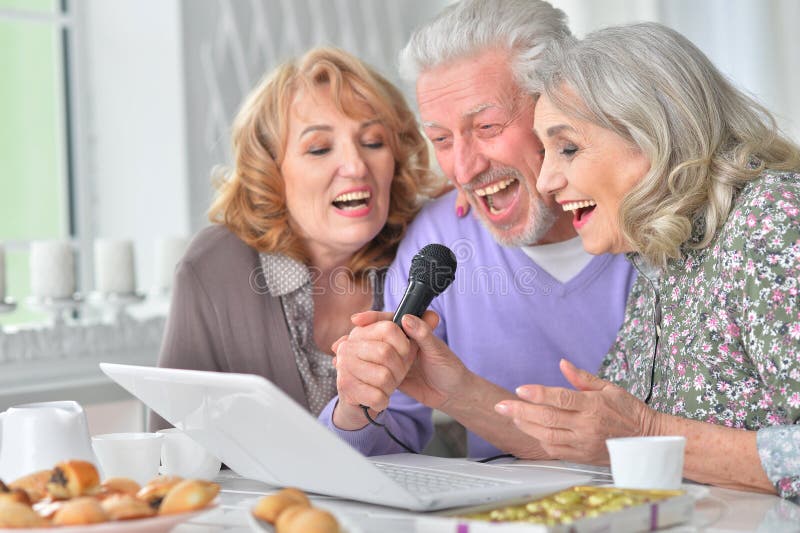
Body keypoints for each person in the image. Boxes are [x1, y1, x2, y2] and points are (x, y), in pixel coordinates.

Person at [492, 22, 799, 499]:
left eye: (568, 148)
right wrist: (447, 389)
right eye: (544, 152)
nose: (546, 181)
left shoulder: (773, 220)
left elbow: (633, 433)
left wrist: (646, 431)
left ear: (657, 134)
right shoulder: (661, 253)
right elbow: (594, 438)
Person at [319, 0, 636, 458]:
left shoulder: (652, 225)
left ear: (561, 105)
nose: (463, 169)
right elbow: (387, 435)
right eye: (442, 140)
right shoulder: (439, 242)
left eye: (487, 126)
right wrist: (357, 400)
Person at [150, 47, 437, 430]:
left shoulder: (421, 255)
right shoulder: (214, 267)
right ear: (271, 171)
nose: (355, 166)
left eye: (373, 142)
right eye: (319, 148)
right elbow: (166, 452)